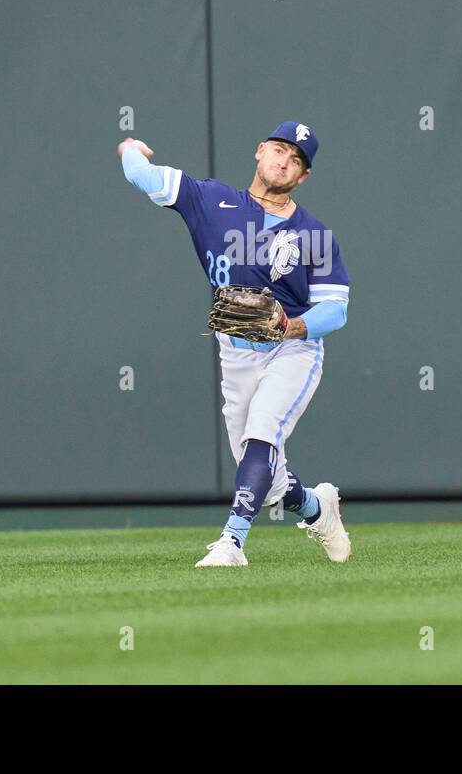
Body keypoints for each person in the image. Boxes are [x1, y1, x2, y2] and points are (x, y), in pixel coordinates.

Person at [117, 121, 352, 567]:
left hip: (293, 351)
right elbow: (141, 174)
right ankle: (319, 509)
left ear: (302, 176)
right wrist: (129, 148)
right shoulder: (209, 200)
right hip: (237, 350)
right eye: (280, 150)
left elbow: (335, 310)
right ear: (260, 150)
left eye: (296, 160)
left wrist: (292, 326)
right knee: (268, 480)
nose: (284, 161)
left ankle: (232, 543)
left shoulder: (314, 235)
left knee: (264, 428)